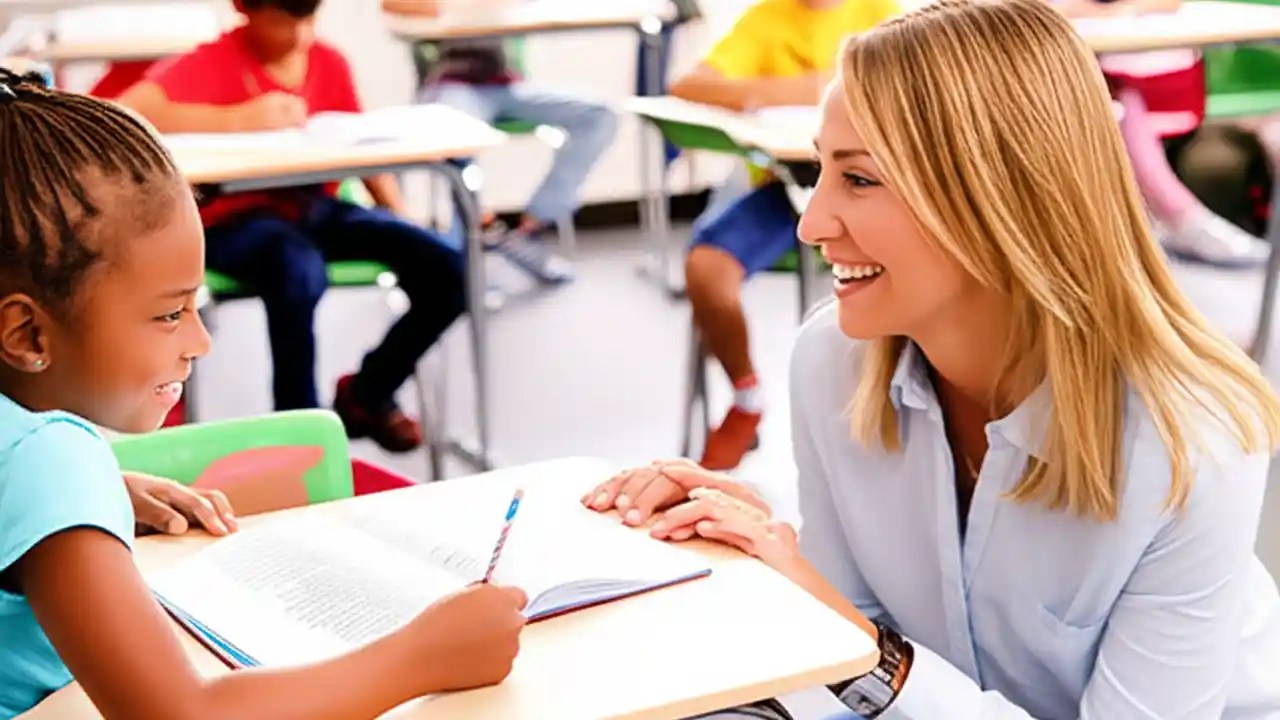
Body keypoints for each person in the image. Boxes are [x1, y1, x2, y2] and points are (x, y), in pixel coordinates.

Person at [585, 0, 1280, 716]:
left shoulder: (1192, 437)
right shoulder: (831, 361)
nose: (810, 222)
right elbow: (847, 652)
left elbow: (866, 657)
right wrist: (763, 548)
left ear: (998, 194)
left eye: (858, 179)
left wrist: (869, 654)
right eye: (822, 171)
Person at [0, 72, 527, 719]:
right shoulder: (47, 460)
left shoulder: (33, 463)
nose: (200, 341)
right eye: (169, 314)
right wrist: (423, 656)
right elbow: (182, 717)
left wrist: (83, 499)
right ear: (25, 334)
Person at [118, 0, 466, 452]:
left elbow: (362, 150)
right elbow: (126, 112)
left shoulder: (328, 60)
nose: (299, 35)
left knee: (447, 268)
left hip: (316, 209)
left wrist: (396, 215)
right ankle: (301, 438)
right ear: (247, 11)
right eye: (283, 20)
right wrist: (237, 122)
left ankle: (368, 394)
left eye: (308, 20)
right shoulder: (212, 62)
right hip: (235, 220)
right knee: (297, 271)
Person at [670, 0, 901, 471]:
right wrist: (797, 89)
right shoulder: (767, 18)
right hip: (786, 190)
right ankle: (747, 397)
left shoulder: (882, 11)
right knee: (707, 265)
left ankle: (888, 411)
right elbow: (689, 84)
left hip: (889, 191)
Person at [383, 0, 618, 286]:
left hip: (505, 85)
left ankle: (530, 225)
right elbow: (392, 4)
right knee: (458, 136)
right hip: (452, 86)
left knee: (599, 115)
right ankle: (464, 252)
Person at [1055, 0, 1271, 267]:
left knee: (1118, 100)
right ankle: (1179, 217)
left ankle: (1174, 218)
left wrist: (1121, 11)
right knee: (1111, 99)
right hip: (1062, 79)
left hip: (1155, 95)